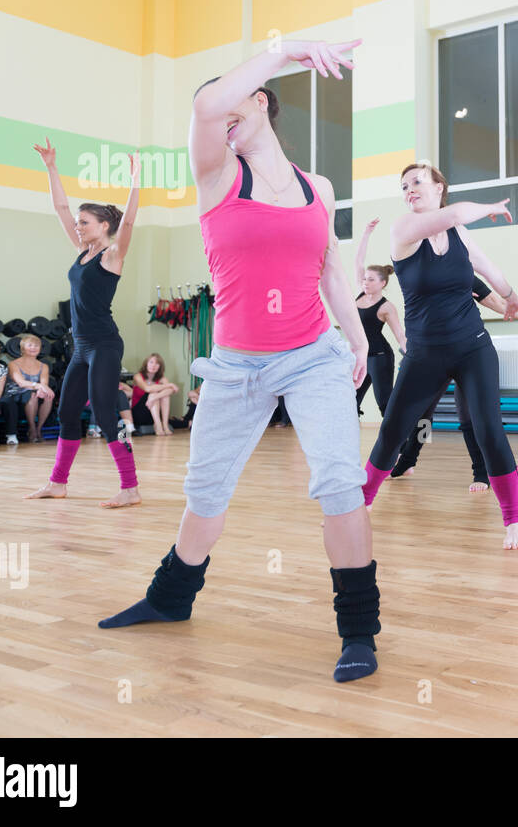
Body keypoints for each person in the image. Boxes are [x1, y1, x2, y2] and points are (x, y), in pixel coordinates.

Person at [99, 37, 384, 683]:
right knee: (205, 491)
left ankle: (358, 630)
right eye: (220, 109)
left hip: (312, 356)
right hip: (235, 364)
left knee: (340, 483)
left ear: (262, 100)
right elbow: (206, 105)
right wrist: (286, 49)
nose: (225, 117)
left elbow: (331, 269)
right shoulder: (217, 172)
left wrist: (358, 337)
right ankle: (170, 598)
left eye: (239, 105)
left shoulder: (319, 187)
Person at [358, 162, 518, 549]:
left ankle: (513, 521)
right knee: (392, 431)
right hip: (424, 354)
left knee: (489, 430)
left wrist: (511, 296)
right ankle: (362, 503)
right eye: (404, 186)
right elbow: (452, 213)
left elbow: (485, 267)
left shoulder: (459, 233)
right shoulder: (402, 230)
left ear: (438, 187)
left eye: (417, 182)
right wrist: (489, 207)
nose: (409, 190)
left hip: (473, 346)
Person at [25, 144, 141, 508]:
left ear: (105, 226)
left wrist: (136, 180)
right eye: (78, 222)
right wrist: (51, 166)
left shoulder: (112, 254)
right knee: (66, 411)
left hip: (105, 344)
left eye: (85, 222)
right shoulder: (82, 251)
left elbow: (131, 221)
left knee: (106, 414)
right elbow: (60, 208)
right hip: (81, 346)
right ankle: (58, 483)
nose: (77, 225)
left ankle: (130, 487)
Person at [390, 275, 518, 492]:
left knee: (469, 416)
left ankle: (481, 472)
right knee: (422, 415)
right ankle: (408, 459)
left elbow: (499, 303)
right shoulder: (420, 276)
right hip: (433, 355)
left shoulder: (464, 276)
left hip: (468, 354)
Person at [353, 216, 407, 420]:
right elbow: (358, 260)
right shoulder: (360, 293)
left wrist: (411, 353)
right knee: (350, 400)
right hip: (360, 357)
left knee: (384, 403)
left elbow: (400, 335)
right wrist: (366, 233)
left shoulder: (386, 307)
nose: (365, 282)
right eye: (365, 279)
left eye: (371, 280)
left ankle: (399, 446)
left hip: (379, 357)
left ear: (382, 283)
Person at [6, 334, 55, 442]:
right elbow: (21, 383)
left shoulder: (44, 366)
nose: (34, 348)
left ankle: (39, 429)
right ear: (23, 347)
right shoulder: (13, 364)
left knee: (48, 396)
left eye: (36, 345)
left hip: (33, 392)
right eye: (30, 345)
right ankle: (32, 429)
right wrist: (39, 387)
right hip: (16, 394)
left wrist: (42, 390)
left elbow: (44, 383)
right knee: (32, 395)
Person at [133, 353, 180, 436]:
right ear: (146, 363)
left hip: (154, 414)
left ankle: (165, 425)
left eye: (157, 363)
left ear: (160, 366)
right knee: (153, 393)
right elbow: (148, 388)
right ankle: (158, 425)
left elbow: (171, 390)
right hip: (138, 414)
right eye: (151, 362)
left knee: (163, 395)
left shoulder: (162, 378)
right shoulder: (138, 376)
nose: (153, 365)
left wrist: (154, 398)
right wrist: (169, 385)